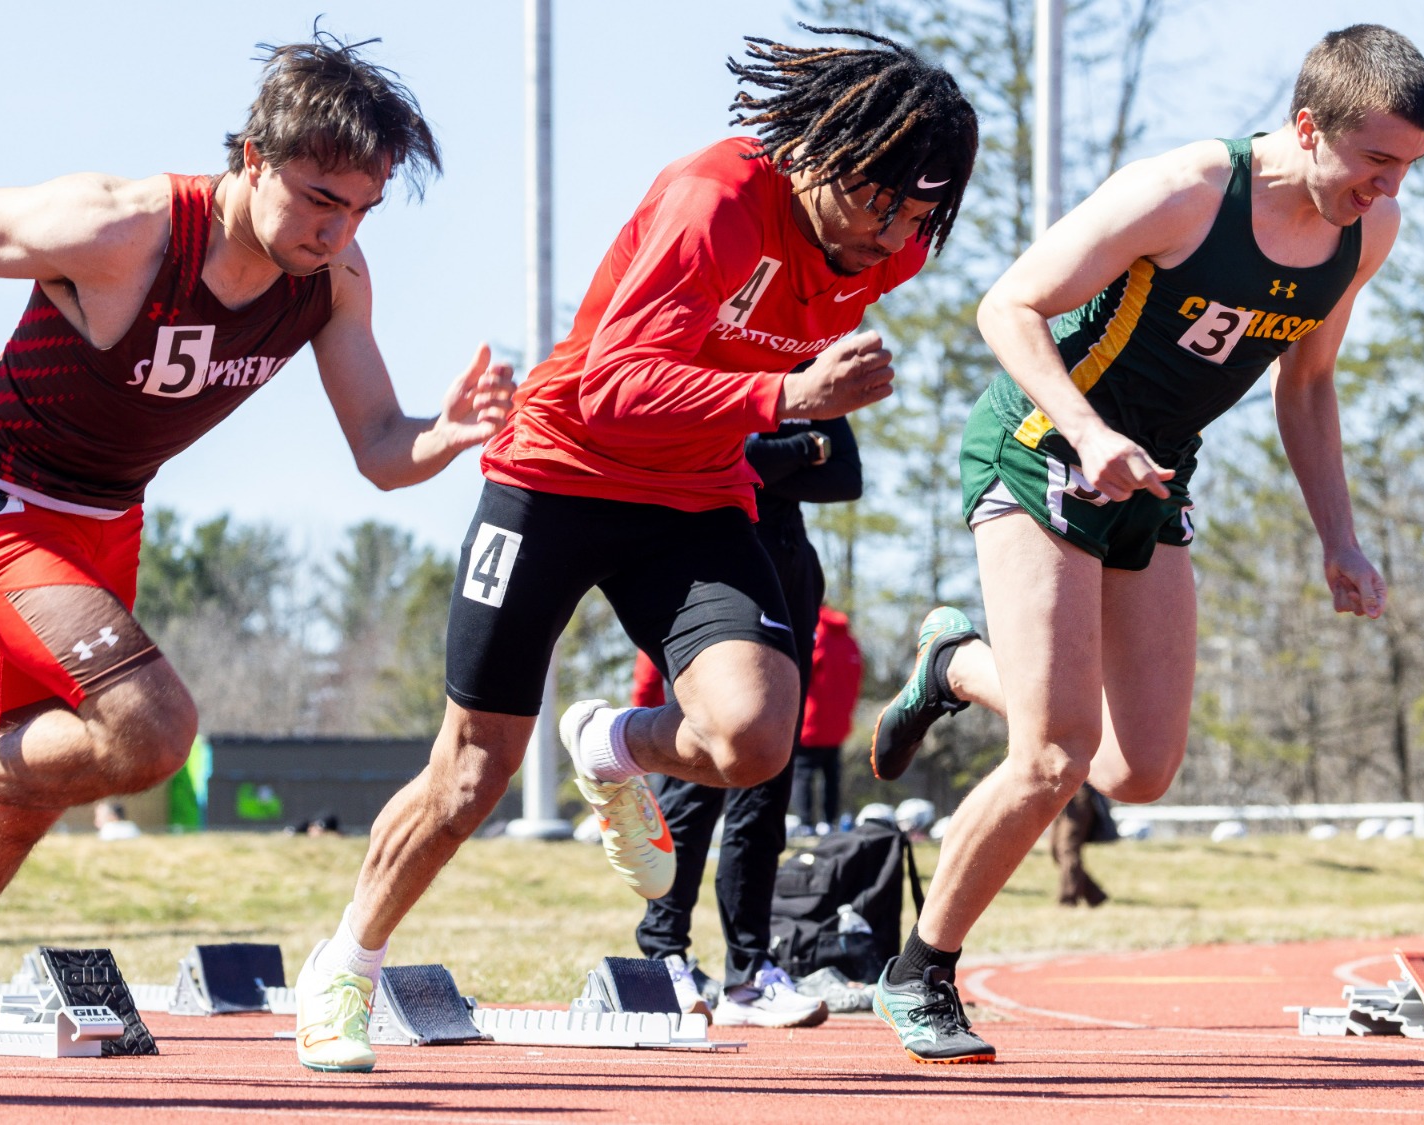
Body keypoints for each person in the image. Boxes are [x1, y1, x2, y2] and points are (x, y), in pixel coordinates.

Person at [0, 32, 513, 1078]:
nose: (336, 230)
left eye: (362, 210)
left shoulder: (331, 280)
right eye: (319, 199)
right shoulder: (124, 228)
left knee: (28, 800)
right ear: (253, 157)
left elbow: (379, 447)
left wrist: (446, 434)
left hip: (103, 521)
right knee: (151, 730)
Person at [296, 24, 977, 1073]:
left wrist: (778, 397)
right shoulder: (715, 201)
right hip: (557, 473)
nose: (890, 238)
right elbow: (613, 386)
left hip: (691, 495)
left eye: (916, 217)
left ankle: (610, 741)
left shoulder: (896, 247)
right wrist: (785, 394)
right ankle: (346, 963)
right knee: (471, 772)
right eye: (875, 202)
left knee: (756, 737)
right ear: (819, 153)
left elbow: (793, 323)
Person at [865, 23, 1424, 1064]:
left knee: (1136, 769)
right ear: (1307, 125)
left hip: (1154, 471)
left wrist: (1340, 538)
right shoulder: (1184, 192)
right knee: (1052, 756)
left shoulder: (1368, 230)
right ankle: (920, 971)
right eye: (1375, 161)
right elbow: (1007, 307)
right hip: (1044, 446)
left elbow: (1307, 382)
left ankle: (954, 665)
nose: (1388, 187)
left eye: (1408, 166)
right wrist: (1090, 433)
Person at [629, 415, 863, 1030]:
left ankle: (751, 973)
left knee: (768, 782)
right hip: (713, 576)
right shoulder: (724, 367)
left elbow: (845, 478)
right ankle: (664, 957)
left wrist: (772, 457)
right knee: (696, 781)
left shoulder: (817, 370)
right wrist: (806, 447)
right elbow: (733, 460)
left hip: (791, 576)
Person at [793, 605, 862, 831]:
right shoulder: (848, 640)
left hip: (811, 721)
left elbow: (801, 672)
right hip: (838, 723)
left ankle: (806, 823)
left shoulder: (815, 633)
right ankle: (828, 822)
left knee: (803, 774)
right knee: (831, 775)